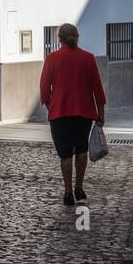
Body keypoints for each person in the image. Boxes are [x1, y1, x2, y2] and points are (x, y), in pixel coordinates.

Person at [39, 23, 106, 206]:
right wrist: (100, 112)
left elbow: (44, 90)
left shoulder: (52, 59)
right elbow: (97, 88)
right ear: (77, 36)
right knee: (81, 150)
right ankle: (79, 186)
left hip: (59, 114)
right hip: (83, 113)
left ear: (59, 39)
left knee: (65, 154)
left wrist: (51, 107)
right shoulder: (88, 58)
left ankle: (67, 191)